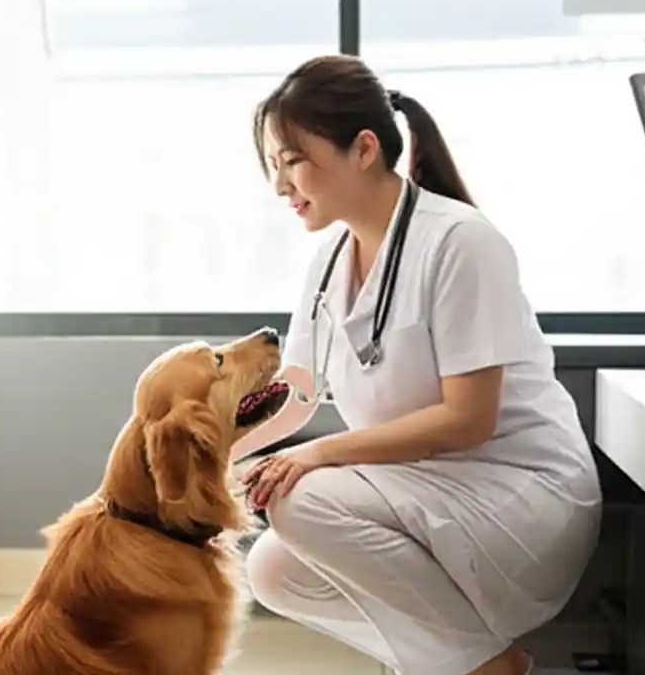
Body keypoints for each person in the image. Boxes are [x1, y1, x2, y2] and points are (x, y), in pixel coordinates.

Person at [234, 54, 602, 675]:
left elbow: (469, 422)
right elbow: (296, 393)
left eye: (292, 161)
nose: (279, 185)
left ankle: (476, 665)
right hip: (422, 488)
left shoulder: (462, 241)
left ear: (364, 149)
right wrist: (215, 462)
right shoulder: (329, 262)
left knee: (302, 499)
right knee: (271, 570)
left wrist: (317, 453)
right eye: (274, 165)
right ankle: (479, 662)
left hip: (516, 491)